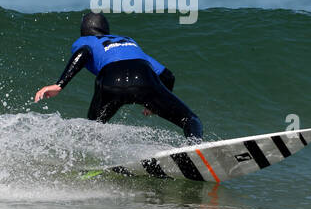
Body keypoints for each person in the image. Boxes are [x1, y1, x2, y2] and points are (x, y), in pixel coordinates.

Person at [35, 11, 203, 141]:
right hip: (143, 77)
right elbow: (168, 76)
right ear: (106, 29)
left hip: (110, 81)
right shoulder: (127, 41)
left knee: (94, 127)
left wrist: (60, 84)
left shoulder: (86, 40)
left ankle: (95, 162)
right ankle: (195, 148)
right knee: (190, 119)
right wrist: (154, 105)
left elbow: (84, 52)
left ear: (84, 31)